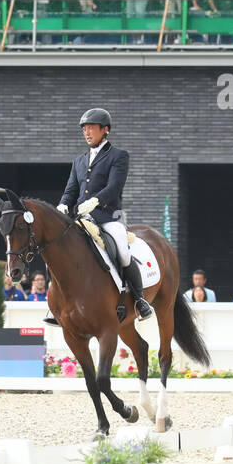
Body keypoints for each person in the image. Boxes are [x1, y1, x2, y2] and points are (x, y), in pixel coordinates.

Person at [57, 108, 151, 322]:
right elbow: (71, 190)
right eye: (84, 129)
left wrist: (96, 201)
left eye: (91, 128)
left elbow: (115, 186)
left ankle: (139, 300)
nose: (87, 132)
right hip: (81, 218)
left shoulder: (118, 156)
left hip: (108, 217)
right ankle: (59, 303)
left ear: (105, 130)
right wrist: (63, 205)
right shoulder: (79, 161)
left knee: (122, 252)